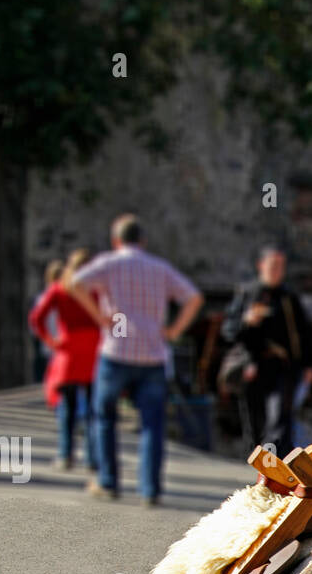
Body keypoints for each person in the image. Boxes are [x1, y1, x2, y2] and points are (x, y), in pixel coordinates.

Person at [67, 214, 203, 504]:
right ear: (143, 240)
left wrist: (99, 315)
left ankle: (108, 481)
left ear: (117, 240)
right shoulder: (159, 268)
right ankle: (149, 489)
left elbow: (75, 283)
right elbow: (193, 298)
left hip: (116, 350)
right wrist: (174, 329)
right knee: (153, 424)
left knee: (104, 417)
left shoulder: (109, 263)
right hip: (152, 353)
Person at [220, 246, 312, 458]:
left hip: (283, 367)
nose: (277, 270)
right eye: (273, 265)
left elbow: (305, 333)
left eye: (281, 266)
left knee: (279, 419)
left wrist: (309, 364)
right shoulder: (247, 294)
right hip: (252, 367)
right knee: (254, 423)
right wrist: (246, 321)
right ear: (261, 266)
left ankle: (277, 467)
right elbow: (228, 331)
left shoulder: (288, 298)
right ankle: (259, 469)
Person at [28, 249, 101, 471]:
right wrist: (117, 337)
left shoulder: (59, 290)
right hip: (95, 352)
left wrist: (50, 341)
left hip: (67, 352)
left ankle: (65, 454)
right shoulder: (98, 290)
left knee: (68, 408)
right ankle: (91, 457)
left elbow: (36, 318)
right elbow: (119, 316)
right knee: (92, 409)